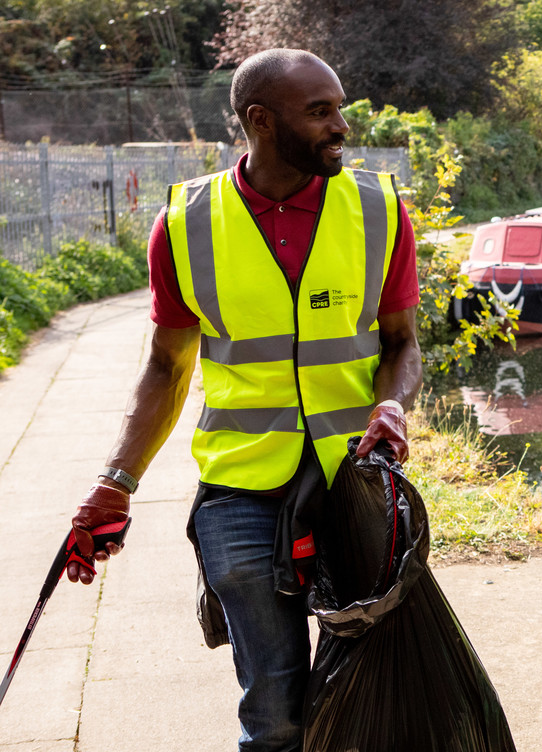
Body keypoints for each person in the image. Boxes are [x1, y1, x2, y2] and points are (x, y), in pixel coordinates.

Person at [63, 49, 423, 751]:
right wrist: (115, 483)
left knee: (375, 687)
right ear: (261, 121)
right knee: (275, 707)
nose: (341, 126)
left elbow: (402, 343)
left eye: (338, 107)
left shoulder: (379, 211)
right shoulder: (187, 224)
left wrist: (395, 405)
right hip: (239, 490)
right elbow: (166, 367)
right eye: (320, 111)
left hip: (358, 479)